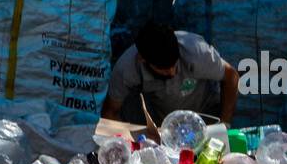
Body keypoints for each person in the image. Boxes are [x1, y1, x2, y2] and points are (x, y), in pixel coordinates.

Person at [102, 21, 239, 125]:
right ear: (143, 59)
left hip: (204, 116)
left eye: (174, 64)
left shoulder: (196, 52)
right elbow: (110, 112)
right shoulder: (127, 68)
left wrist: (224, 125)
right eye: (164, 68)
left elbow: (231, 76)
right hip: (161, 125)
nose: (172, 72)